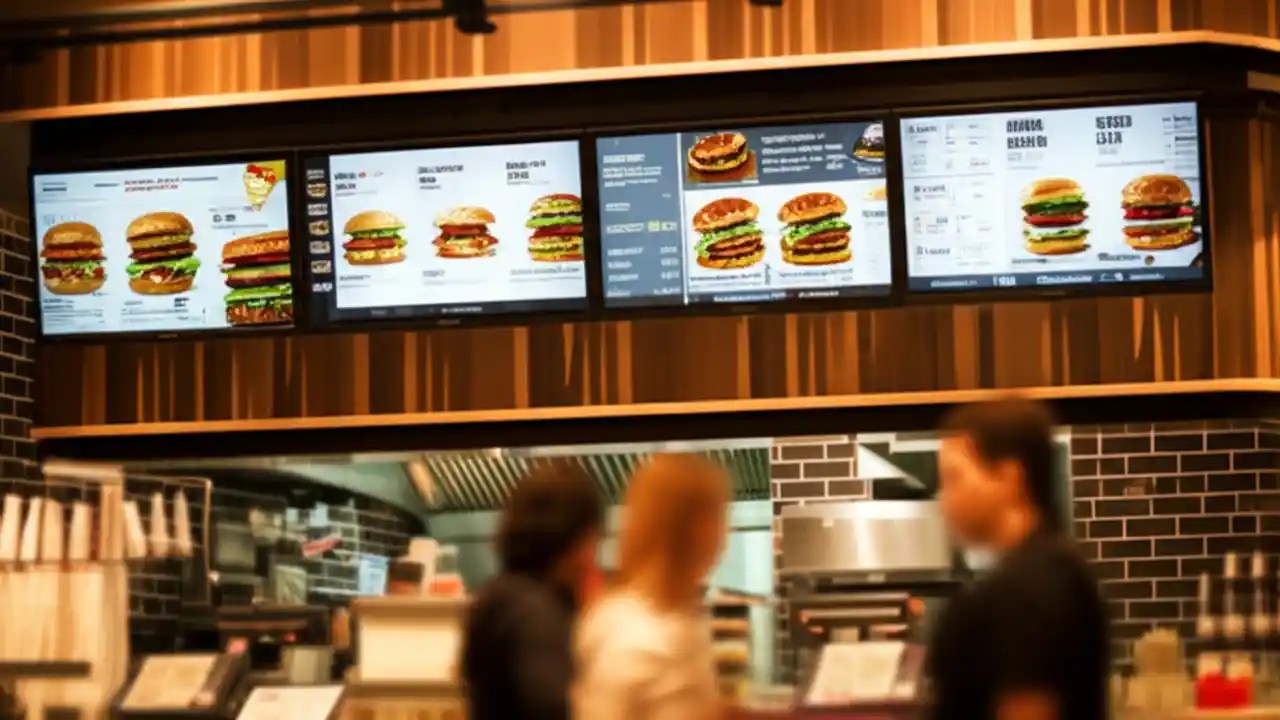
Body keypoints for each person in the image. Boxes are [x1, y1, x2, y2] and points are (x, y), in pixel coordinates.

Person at [927, 397, 1109, 720]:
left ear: (1009, 479)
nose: (943, 499)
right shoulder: (1058, 568)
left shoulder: (1025, 589)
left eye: (954, 478)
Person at [575, 453, 729, 720]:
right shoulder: (651, 643)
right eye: (719, 518)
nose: (724, 534)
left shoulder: (614, 611)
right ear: (699, 529)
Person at [461, 460, 604, 720]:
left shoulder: (498, 594)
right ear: (576, 538)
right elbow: (556, 708)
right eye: (593, 539)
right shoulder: (535, 611)